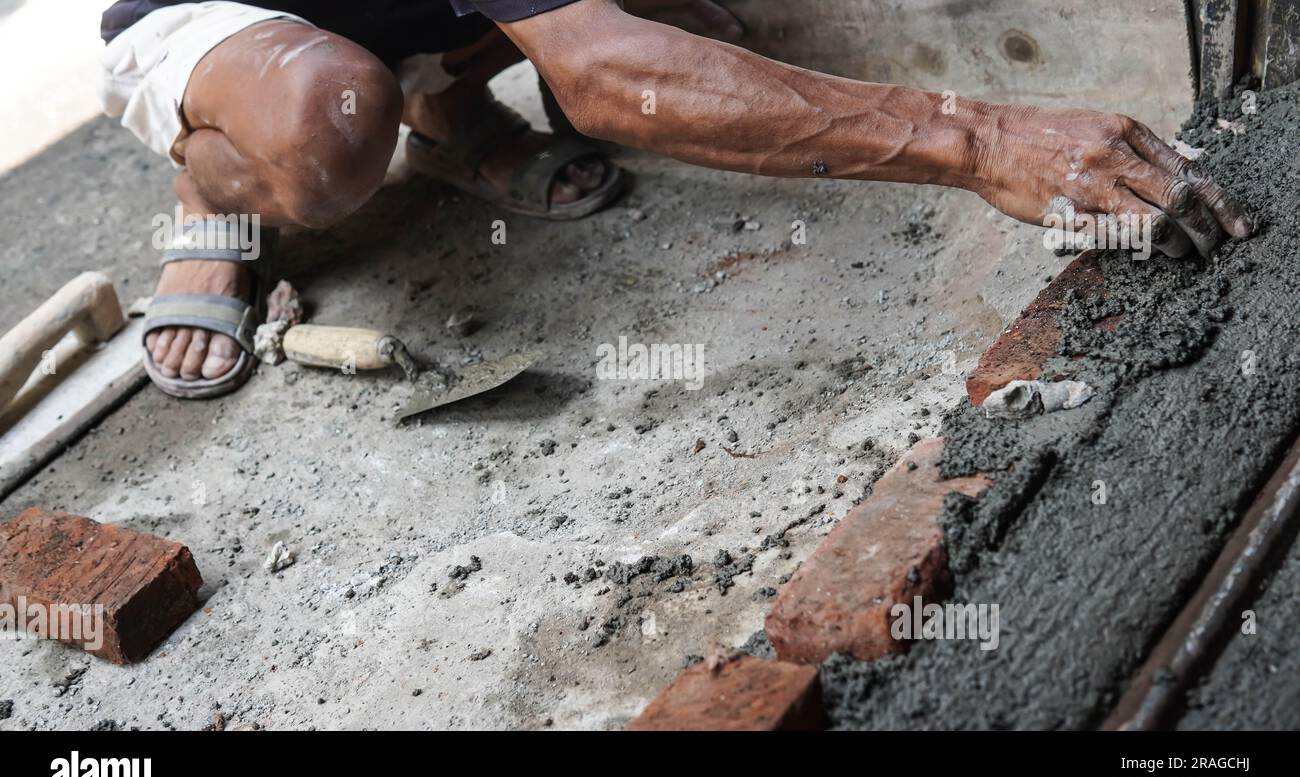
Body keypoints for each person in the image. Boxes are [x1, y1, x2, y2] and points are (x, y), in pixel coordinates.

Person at [98, 0, 1252, 398]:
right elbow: (608, 80)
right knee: (330, 124)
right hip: (234, 35)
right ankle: (211, 193)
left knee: (685, 39)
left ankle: (447, 102)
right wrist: (983, 138)